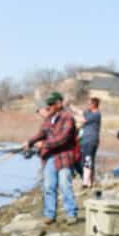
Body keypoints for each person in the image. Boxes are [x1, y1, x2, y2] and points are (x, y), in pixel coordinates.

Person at [25, 92, 79, 224]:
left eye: (51, 104)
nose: (48, 107)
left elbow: (62, 139)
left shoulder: (68, 118)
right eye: (47, 105)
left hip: (64, 157)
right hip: (49, 157)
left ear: (59, 103)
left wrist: (44, 144)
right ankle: (50, 215)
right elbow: (42, 133)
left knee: (65, 185)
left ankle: (71, 214)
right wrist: (30, 142)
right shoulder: (49, 119)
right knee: (49, 186)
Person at [77, 97, 101, 188]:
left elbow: (83, 120)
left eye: (89, 104)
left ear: (94, 105)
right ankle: (89, 181)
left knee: (88, 160)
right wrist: (69, 106)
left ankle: (86, 182)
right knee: (87, 160)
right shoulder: (89, 113)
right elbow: (80, 112)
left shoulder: (96, 114)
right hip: (85, 140)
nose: (87, 105)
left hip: (91, 140)